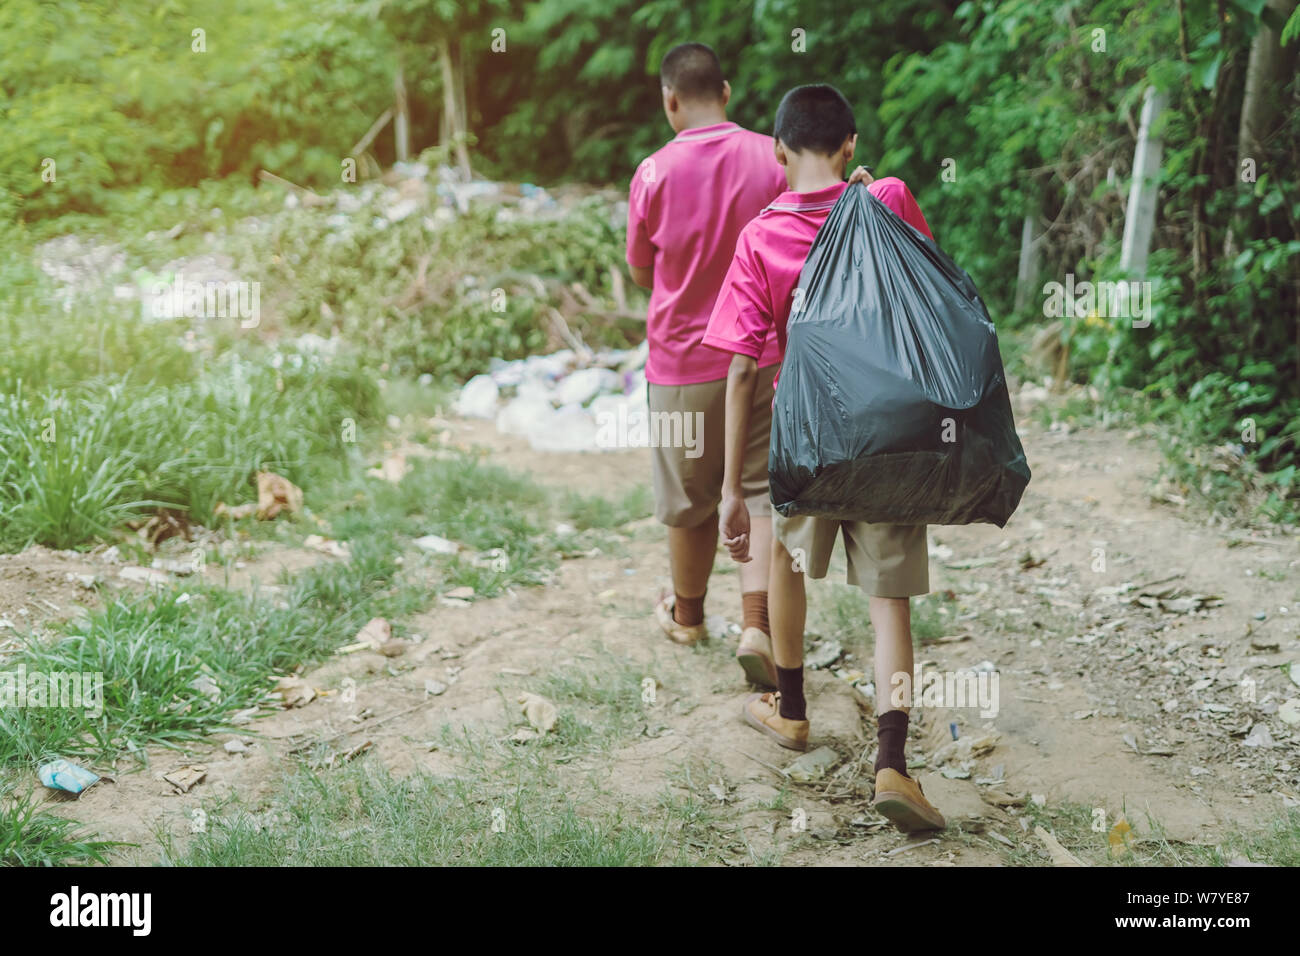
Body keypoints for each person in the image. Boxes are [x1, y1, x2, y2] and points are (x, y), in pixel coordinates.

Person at [701, 83, 946, 833]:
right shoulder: (888, 200)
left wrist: (729, 491)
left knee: (787, 566)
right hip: (889, 434)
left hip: (804, 433)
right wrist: (879, 198)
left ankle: (794, 710)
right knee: (888, 600)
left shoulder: (758, 235)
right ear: (852, 147)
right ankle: (893, 763)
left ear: (777, 153)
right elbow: (932, 288)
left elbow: (741, 366)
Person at [625, 42, 786, 685]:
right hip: (763, 355)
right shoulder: (770, 157)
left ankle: (689, 615)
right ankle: (757, 624)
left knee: (687, 498)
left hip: (678, 362)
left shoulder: (653, 172)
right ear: (726, 91)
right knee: (758, 491)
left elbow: (642, 270)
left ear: (670, 100)